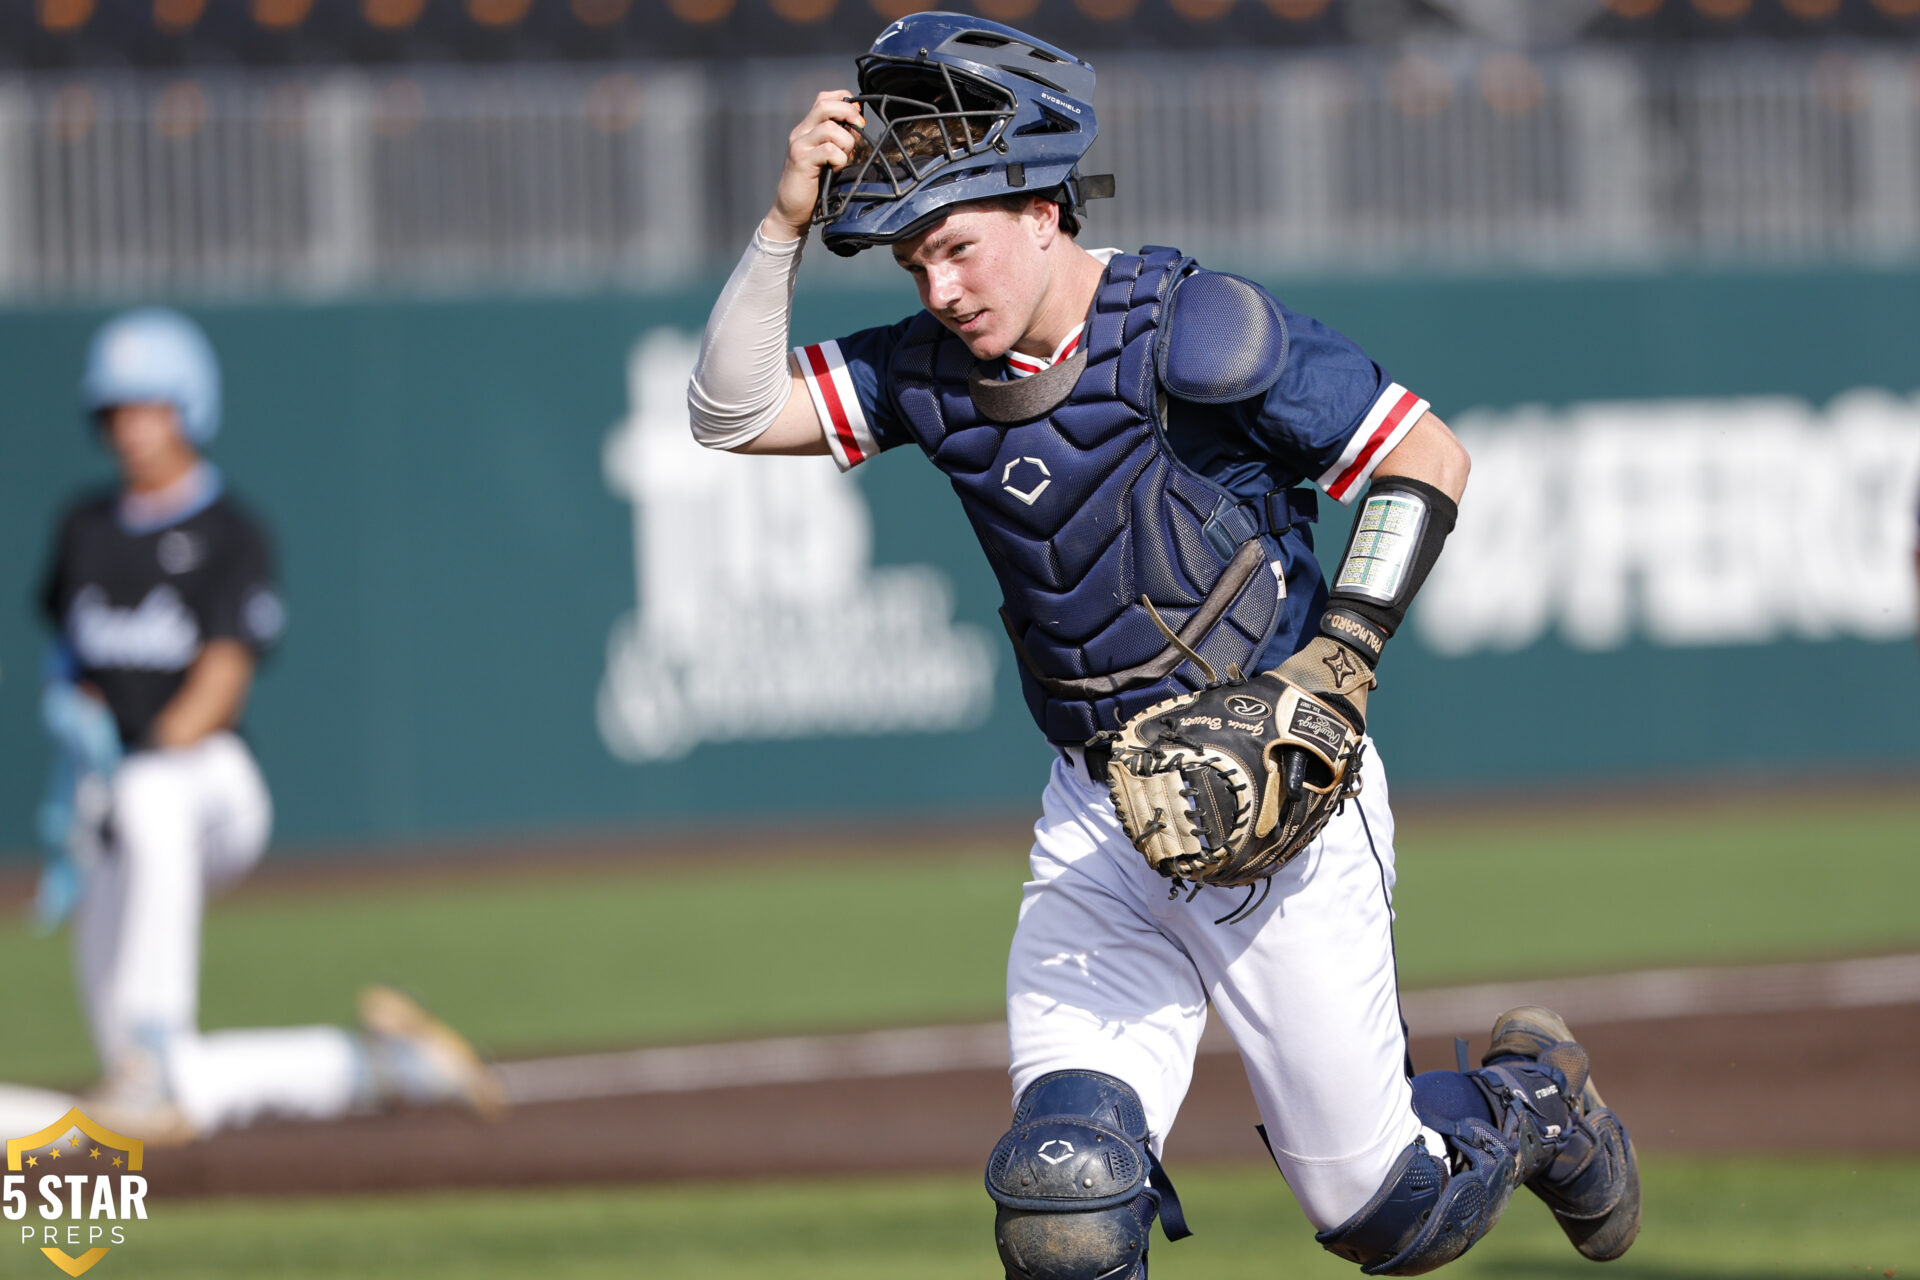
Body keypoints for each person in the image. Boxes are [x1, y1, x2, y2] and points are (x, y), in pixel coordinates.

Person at [687, 14, 1640, 1277]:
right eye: (914, 261)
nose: (939, 288)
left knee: (1388, 1217)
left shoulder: (1198, 330)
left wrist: (1343, 654)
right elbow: (731, 411)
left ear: (1042, 210)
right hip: (1096, 812)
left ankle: (1537, 1103)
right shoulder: (929, 371)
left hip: (1280, 800)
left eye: (958, 248)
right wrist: (782, 224)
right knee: (1062, 1199)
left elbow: (1425, 455)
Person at [35, 306, 503, 1144]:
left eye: (148, 406)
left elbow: (219, 688)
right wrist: (72, 736)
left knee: (149, 795)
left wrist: (124, 759)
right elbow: (68, 656)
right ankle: (385, 1067)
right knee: (154, 1083)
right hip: (117, 805)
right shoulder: (85, 528)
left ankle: (152, 1048)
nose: (131, 429)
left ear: (187, 406)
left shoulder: (229, 531)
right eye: (115, 411)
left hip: (211, 787)